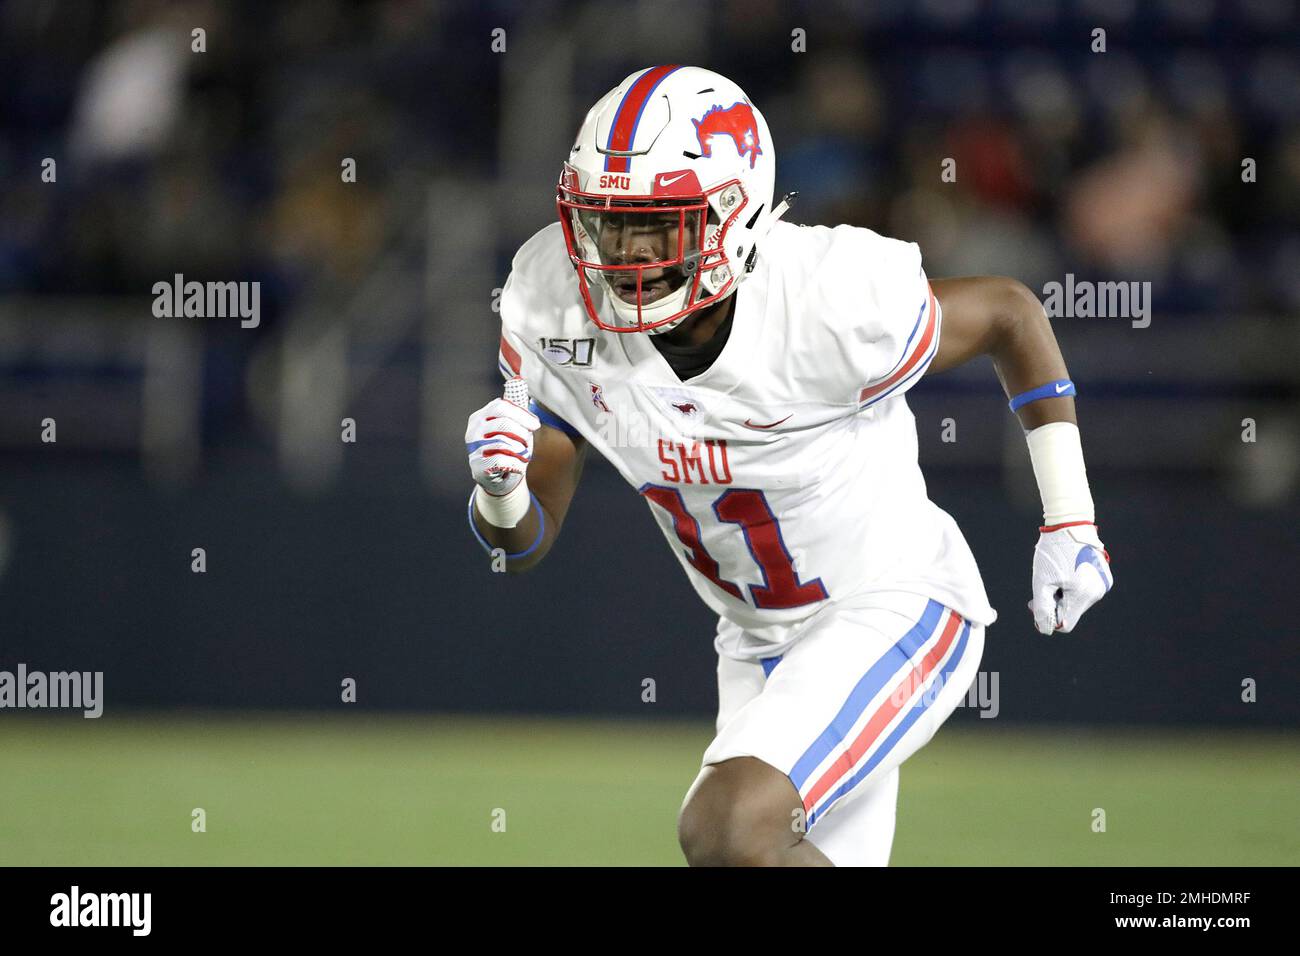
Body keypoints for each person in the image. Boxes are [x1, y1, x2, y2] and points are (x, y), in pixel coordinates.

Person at [464, 65, 1113, 866]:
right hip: (754, 644)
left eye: (654, 224)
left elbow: (1011, 314)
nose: (623, 253)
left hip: (895, 602)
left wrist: (1071, 517)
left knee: (730, 828)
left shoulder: (828, 295)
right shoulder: (550, 298)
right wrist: (498, 492)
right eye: (605, 221)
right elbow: (522, 545)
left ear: (733, 216)